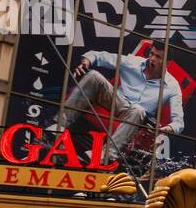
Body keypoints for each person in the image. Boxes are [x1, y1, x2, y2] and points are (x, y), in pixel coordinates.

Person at [57, 42, 185, 163]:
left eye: (158, 57)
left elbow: (179, 123)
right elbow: (100, 55)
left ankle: (105, 156)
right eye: (151, 54)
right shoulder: (133, 62)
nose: (152, 59)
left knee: (138, 110)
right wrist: (86, 61)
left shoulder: (172, 86)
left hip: (136, 116)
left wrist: (164, 128)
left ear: (167, 63)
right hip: (116, 100)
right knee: (94, 76)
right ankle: (59, 127)